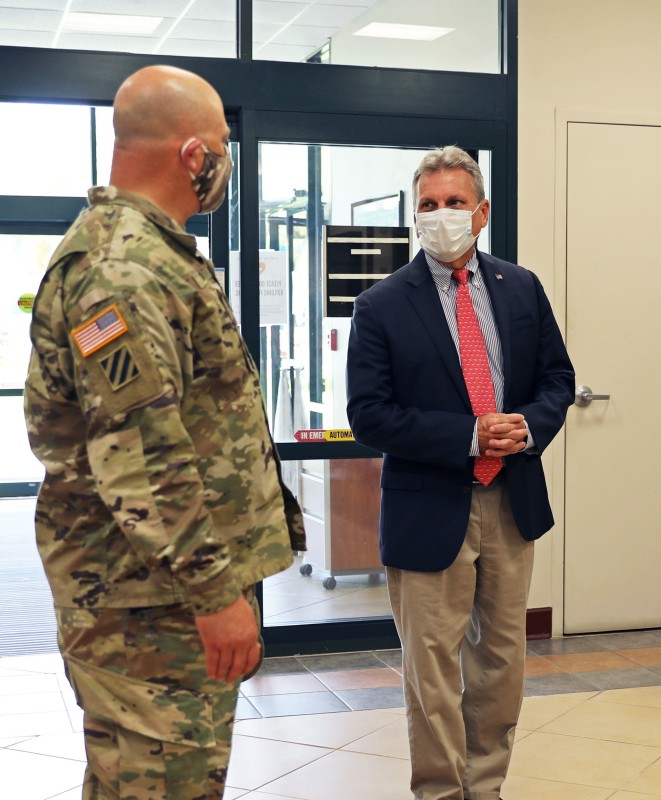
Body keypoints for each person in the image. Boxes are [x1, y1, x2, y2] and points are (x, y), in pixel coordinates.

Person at [24, 65, 305, 799]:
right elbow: (142, 456)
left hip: (154, 597)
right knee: (159, 782)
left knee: (138, 781)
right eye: (219, 145)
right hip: (145, 607)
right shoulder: (122, 268)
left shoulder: (150, 252)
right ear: (193, 155)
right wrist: (214, 595)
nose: (224, 165)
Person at [346, 146, 574, 800]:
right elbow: (370, 414)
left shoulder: (522, 287)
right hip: (428, 507)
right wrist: (470, 433)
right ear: (413, 216)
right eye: (428, 205)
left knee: (501, 664)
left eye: (454, 203)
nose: (441, 215)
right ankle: (441, 793)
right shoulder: (383, 305)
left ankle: (486, 788)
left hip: (512, 499)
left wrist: (528, 425)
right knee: (432, 671)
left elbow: (559, 378)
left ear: (482, 212)